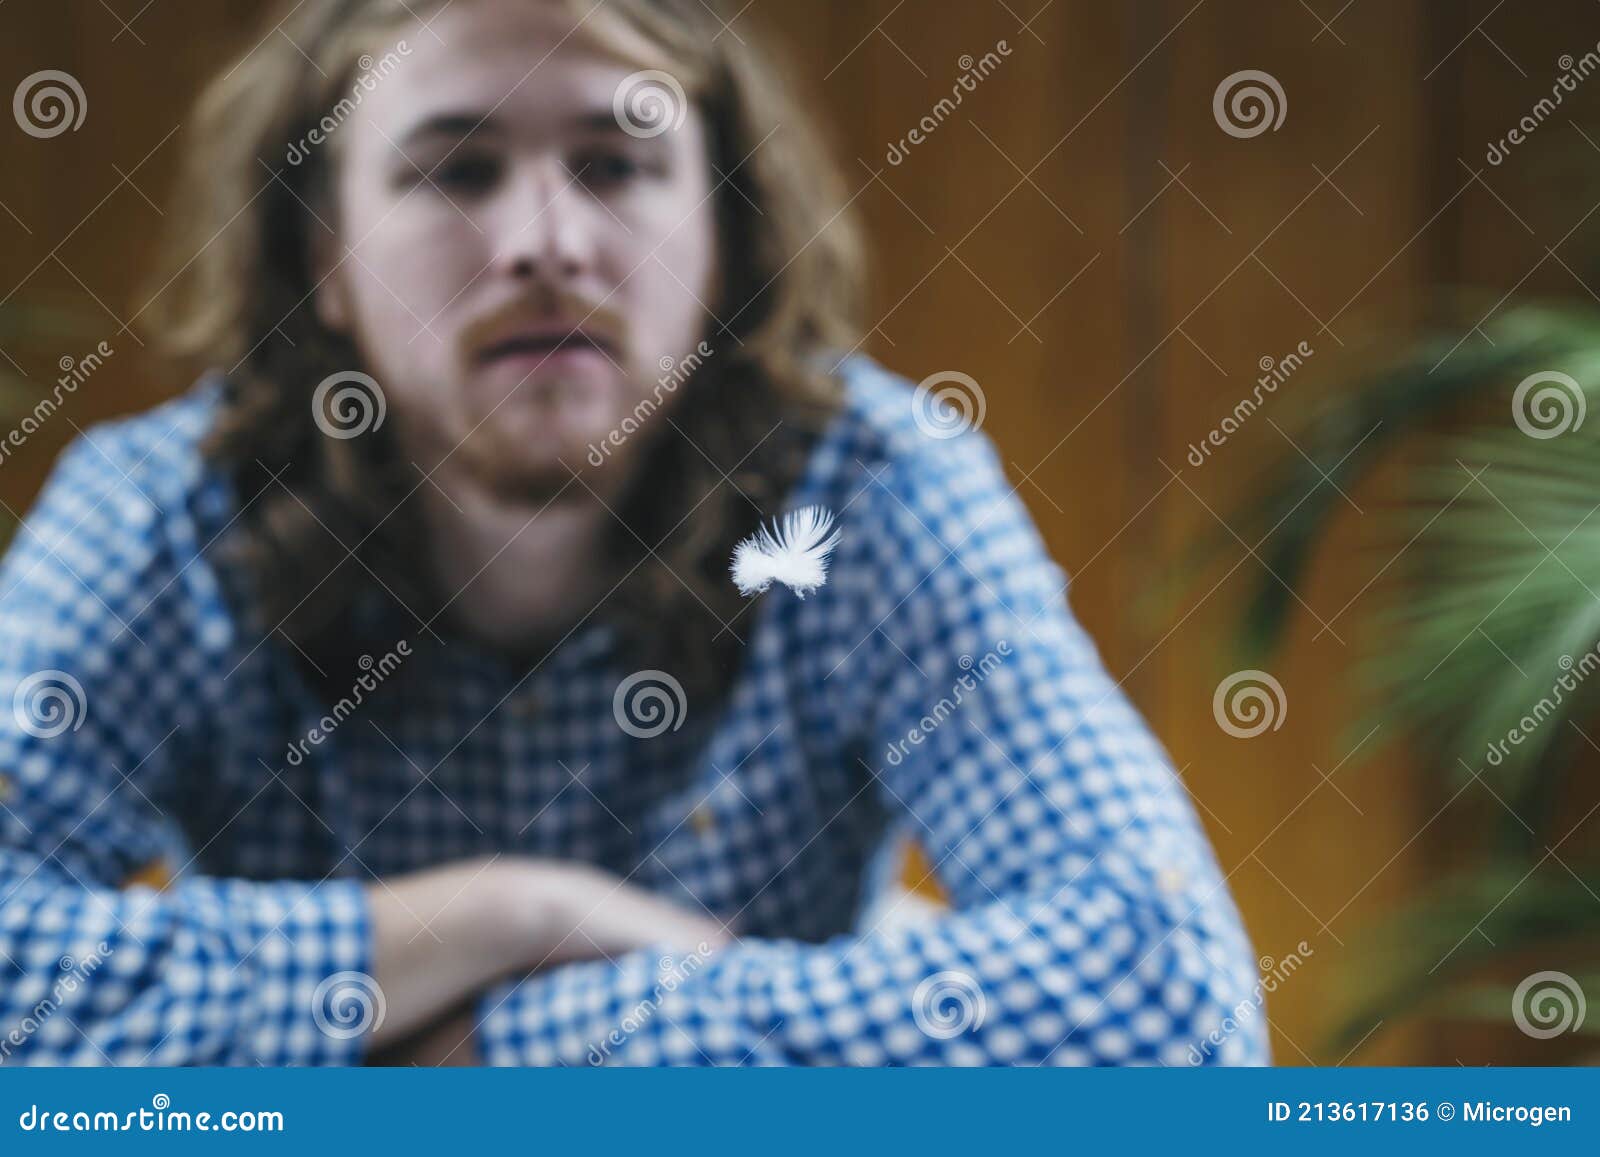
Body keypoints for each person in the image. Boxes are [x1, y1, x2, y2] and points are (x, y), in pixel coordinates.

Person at [0, 0, 1268, 1066]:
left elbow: (1170, 999)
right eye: (456, 169)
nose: (546, 245)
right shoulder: (158, 511)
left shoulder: (873, 492)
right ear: (325, 255)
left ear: (721, 233)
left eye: (615, 164)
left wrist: (490, 1049)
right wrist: (516, 912)